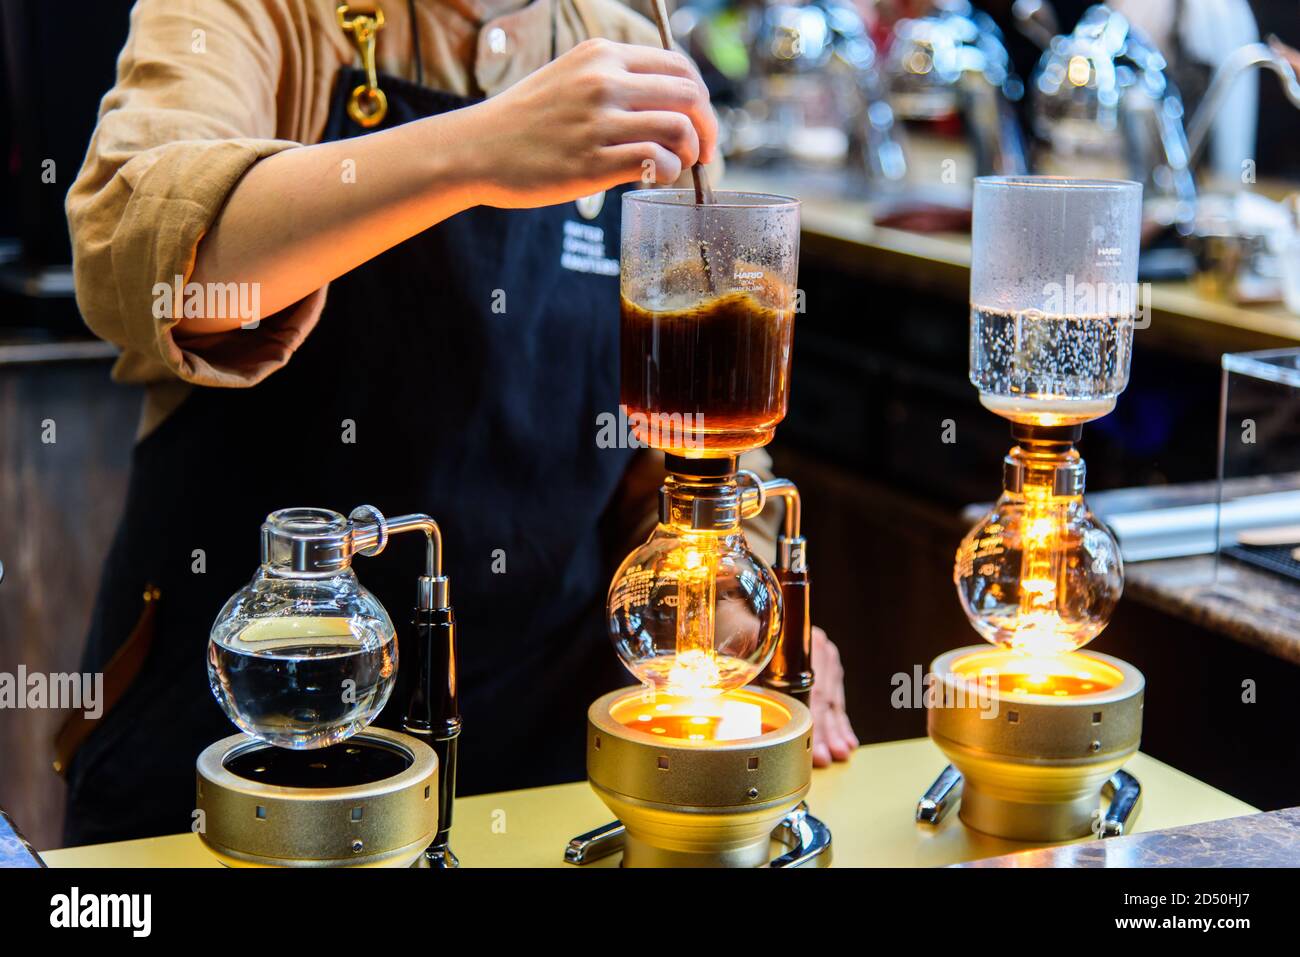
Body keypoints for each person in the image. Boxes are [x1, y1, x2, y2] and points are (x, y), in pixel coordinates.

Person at [62, 0, 857, 846]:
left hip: (546, 770)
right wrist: (474, 151)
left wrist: (728, 607)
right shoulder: (261, 14)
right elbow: (126, 254)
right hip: (245, 752)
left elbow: (685, 443)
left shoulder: (634, 60)